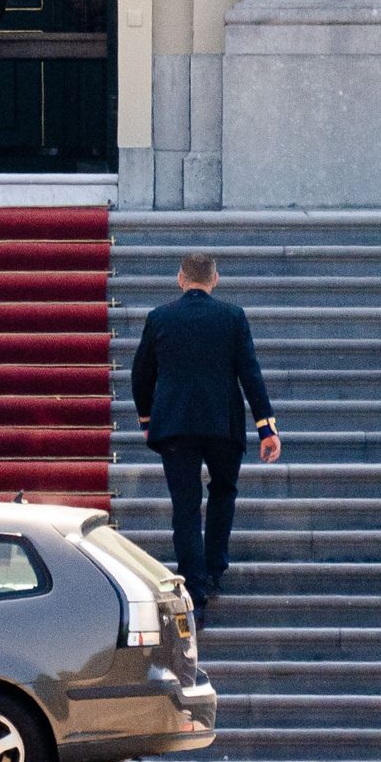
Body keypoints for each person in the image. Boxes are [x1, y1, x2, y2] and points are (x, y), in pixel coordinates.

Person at [130, 253, 282, 625]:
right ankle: (214, 569)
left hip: (176, 427)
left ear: (180, 278)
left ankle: (194, 591)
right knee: (223, 492)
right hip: (222, 424)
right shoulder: (233, 317)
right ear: (216, 279)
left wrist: (148, 419)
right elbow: (250, 373)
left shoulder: (159, 318)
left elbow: (140, 374)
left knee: (185, 507)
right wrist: (266, 427)